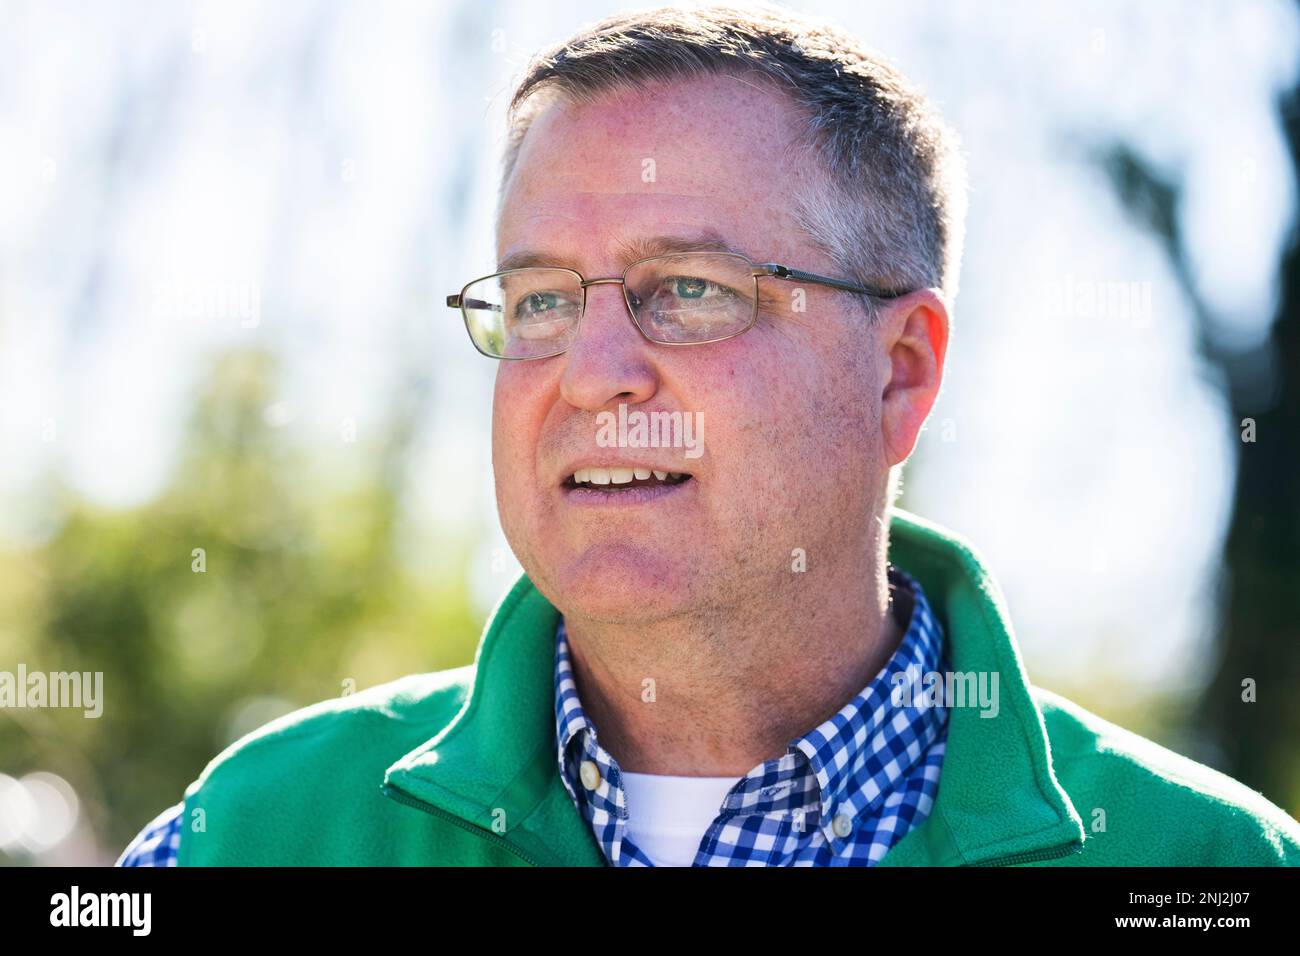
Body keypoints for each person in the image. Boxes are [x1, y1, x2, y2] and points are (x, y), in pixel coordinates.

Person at [119, 1, 1300, 867]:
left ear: (899, 372)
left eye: (685, 289)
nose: (588, 374)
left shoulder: (1206, 868)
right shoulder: (256, 831)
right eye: (538, 299)